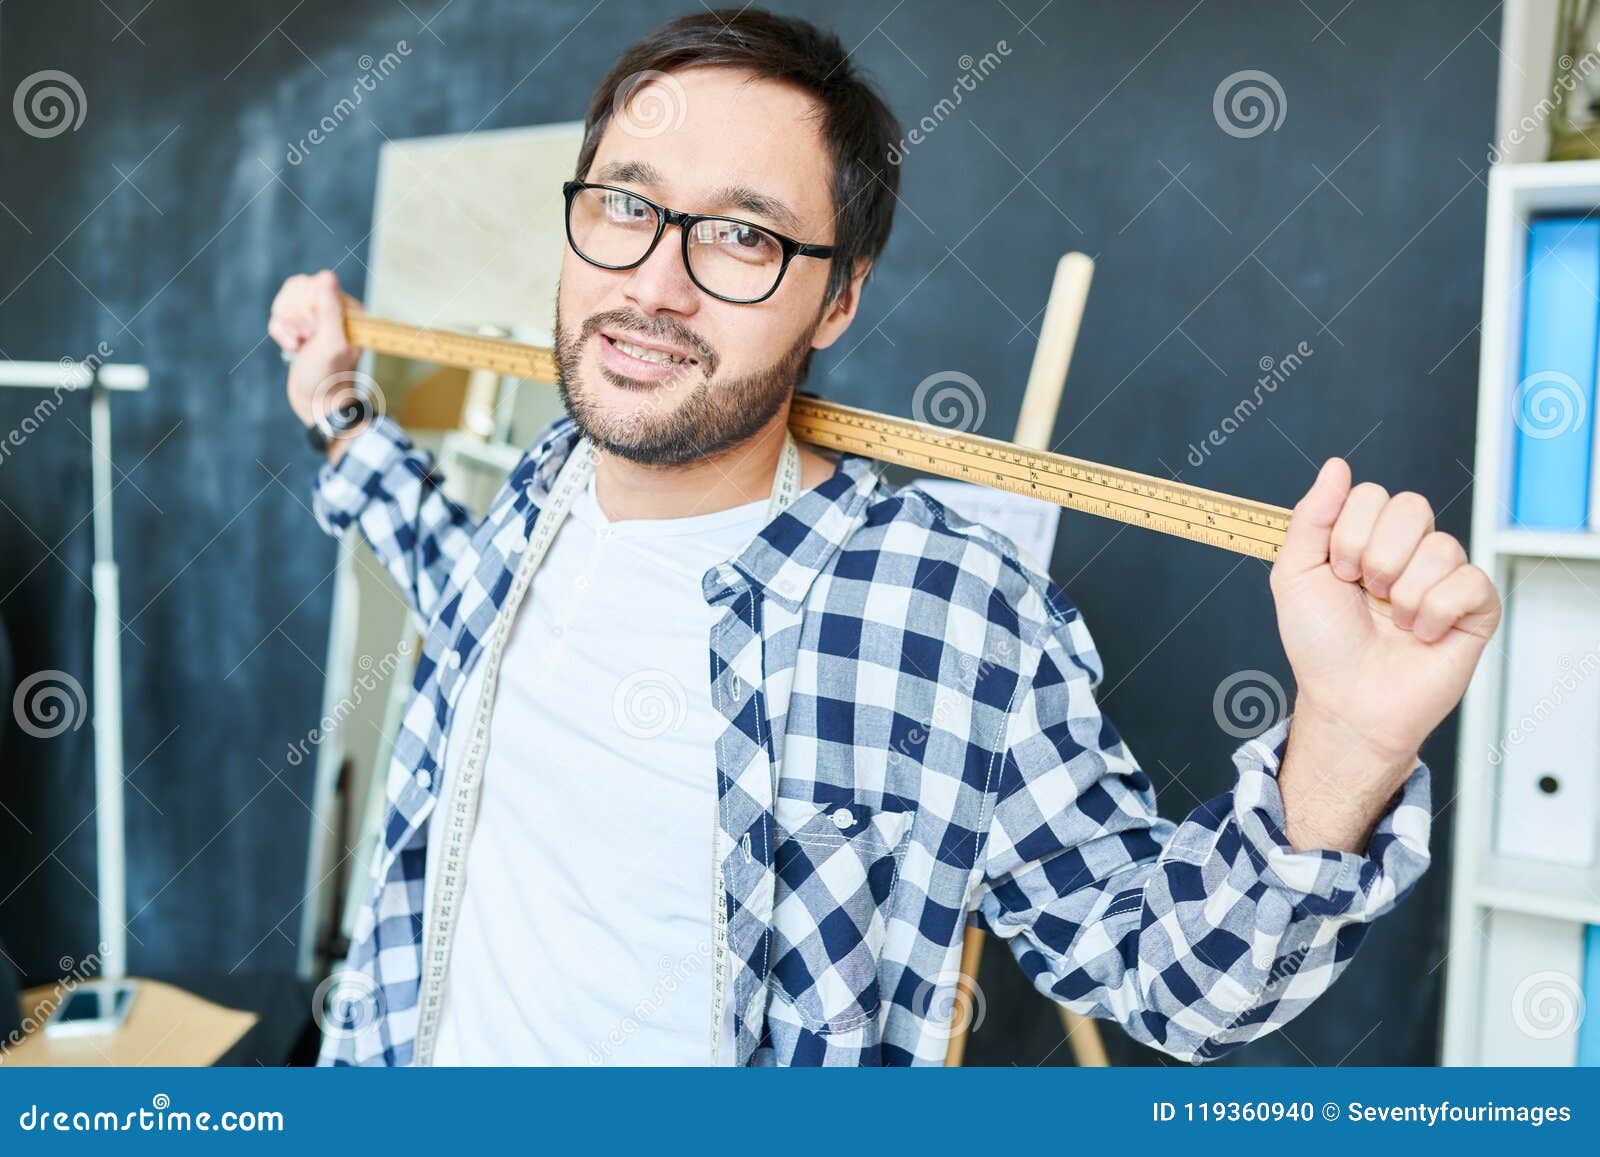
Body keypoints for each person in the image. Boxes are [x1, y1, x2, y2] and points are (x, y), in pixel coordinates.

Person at [270, 8, 1500, 1067]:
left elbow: (1166, 976)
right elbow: (435, 561)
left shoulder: (946, 615)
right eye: (626, 205)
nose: (655, 281)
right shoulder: (534, 506)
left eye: (744, 236)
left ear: (839, 296)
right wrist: (337, 405)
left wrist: (1341, 751)